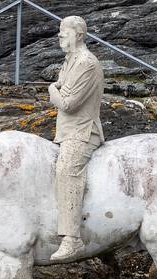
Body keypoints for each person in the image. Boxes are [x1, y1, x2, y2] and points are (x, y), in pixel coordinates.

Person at [48, 16, 105, 263]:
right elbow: (64, 91)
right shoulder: (68, 61)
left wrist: (51, 89)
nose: (60, 36)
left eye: (64, 32)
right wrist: (58, 88)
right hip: (66, 132)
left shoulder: (87, 63)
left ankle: (72, 239)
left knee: (67, 170)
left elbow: (68, 103)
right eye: (60, 32)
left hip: (83, 132)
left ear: (79, 35)